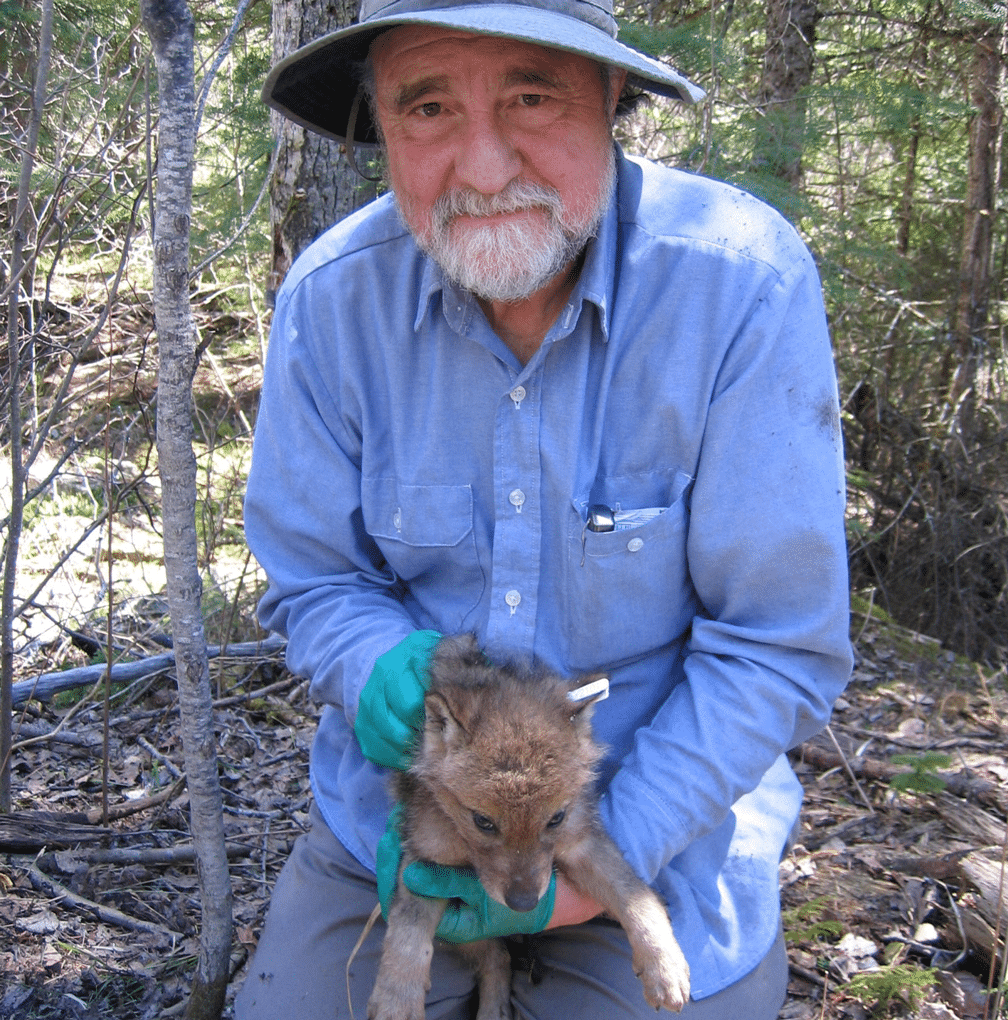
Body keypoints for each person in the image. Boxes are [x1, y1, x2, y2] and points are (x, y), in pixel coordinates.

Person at [236, 0, 854, 1016]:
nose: (483, 168)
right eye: (428, 106)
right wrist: (369, 665)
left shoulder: (738, 285)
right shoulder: (333, 300)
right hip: (404, 837)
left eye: (532, 95)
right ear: (380, 125)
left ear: (612, 97)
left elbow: (776, 642)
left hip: (663, 830)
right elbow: (319, 580)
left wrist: (587, 858)